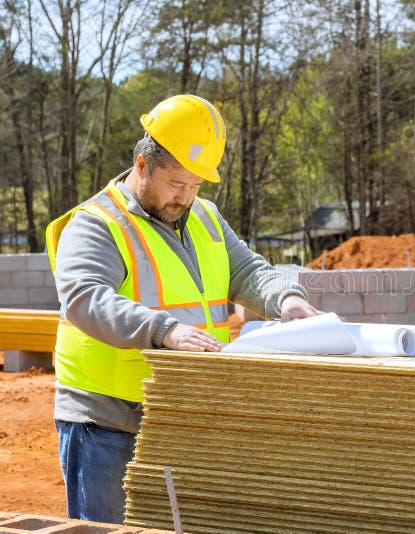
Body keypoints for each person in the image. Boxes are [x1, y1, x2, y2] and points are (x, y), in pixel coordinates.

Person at [45, 94, 322, 524]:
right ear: (142, 165)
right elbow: (84, 296)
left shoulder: (205, 218)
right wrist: (165, 330)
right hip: (107, 422)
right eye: (176, 184)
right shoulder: (97, 222)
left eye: (196, 186)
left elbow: (247, 270)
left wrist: (286, 298)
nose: (185, 197)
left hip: (183, 411)